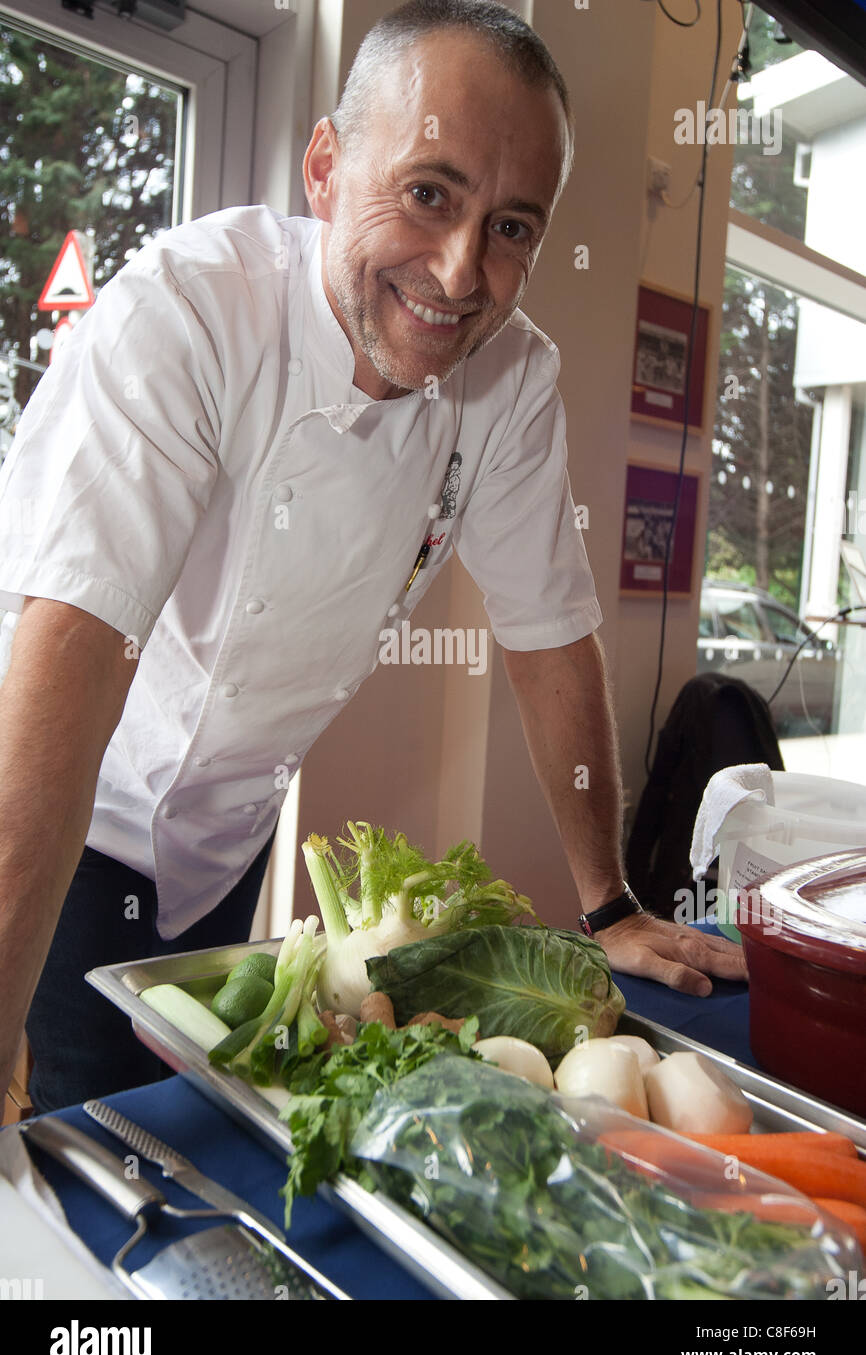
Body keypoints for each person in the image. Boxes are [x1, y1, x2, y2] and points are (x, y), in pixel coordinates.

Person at [0, 0, 745, 1113]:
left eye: (510, 227)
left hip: (222, 845)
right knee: (66, 1147)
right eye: (428, 192)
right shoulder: (191, 312)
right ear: (324, 167)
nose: (457, 272)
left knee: (182, 1137)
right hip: (48, 804)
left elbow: (547, 635)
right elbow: (77, 643)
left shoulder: (508, 381)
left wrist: (607, 905)